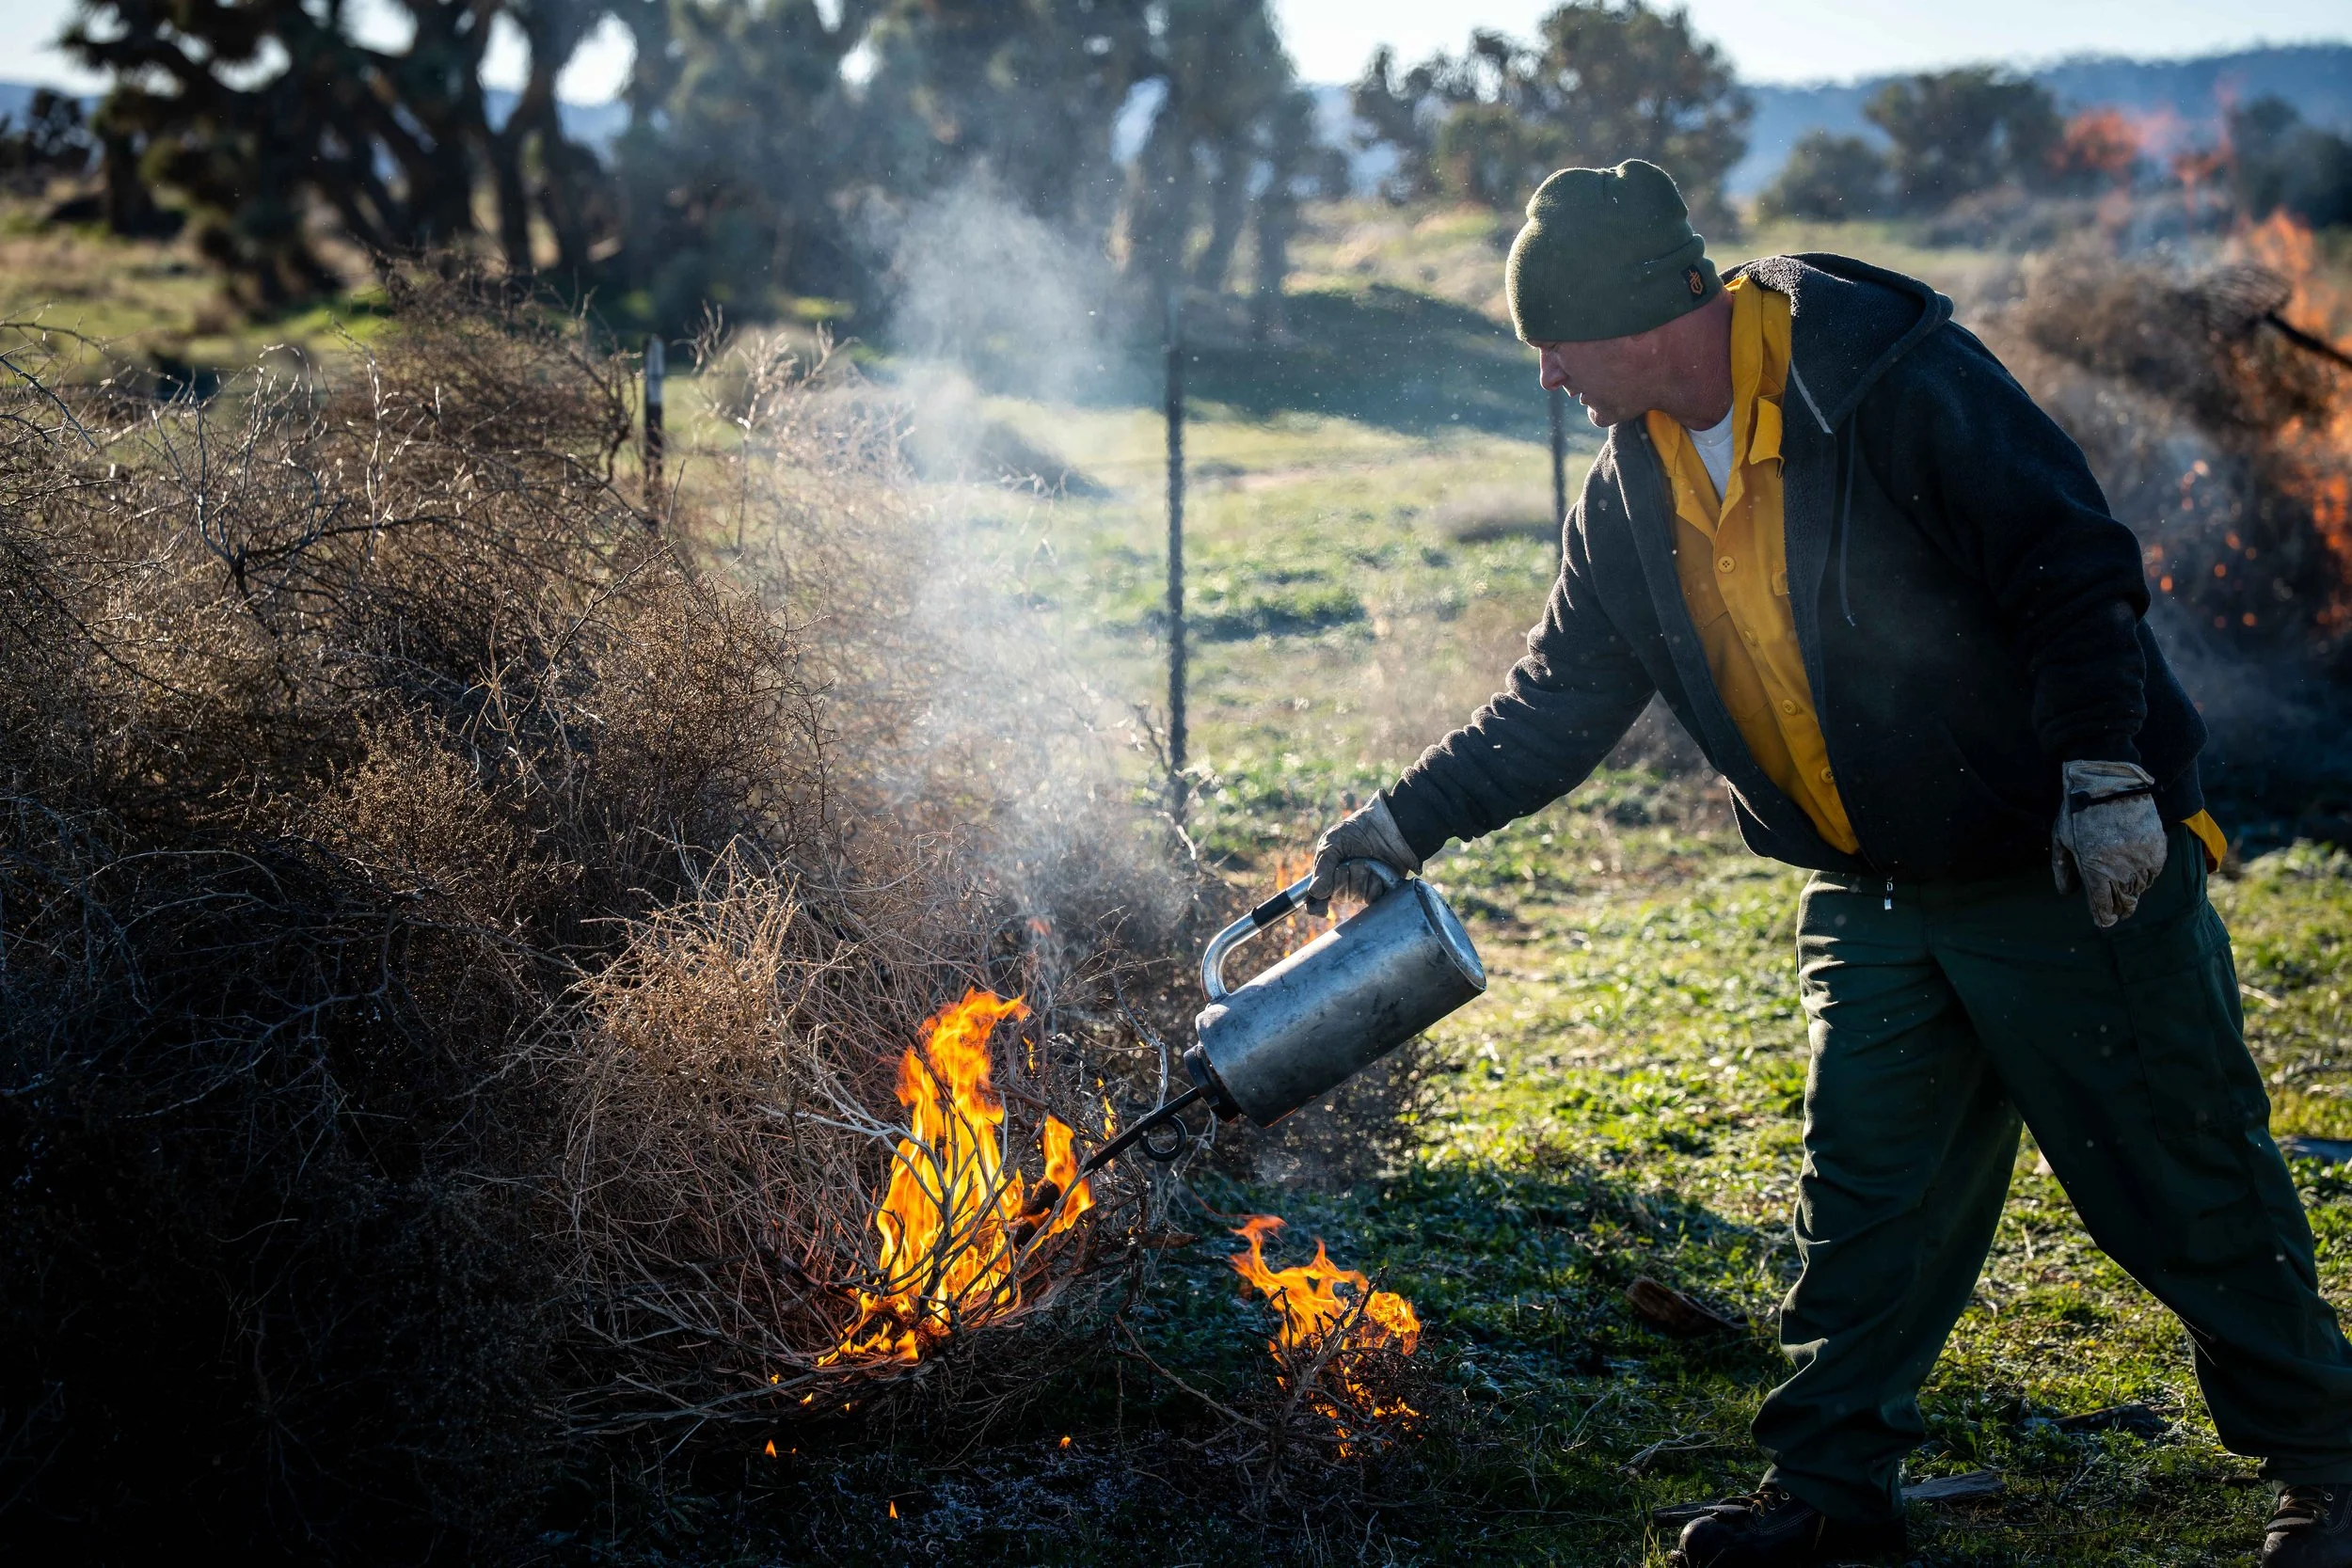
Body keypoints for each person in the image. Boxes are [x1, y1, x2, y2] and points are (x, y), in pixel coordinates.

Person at [1304, 159, 2352, 1568]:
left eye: (1558, 341)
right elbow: (1556, 702)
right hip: (1871, 891)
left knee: (2183, 1179)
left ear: (1646, 314)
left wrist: (2107, 774)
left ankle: (2333, 1468)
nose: (1547, 375)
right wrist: (1399, 821)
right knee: (1862, 1201)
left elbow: (2073, 567)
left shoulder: (1886, 378)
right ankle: (1832, 1500)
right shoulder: (1630, 492)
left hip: (2059, 862)